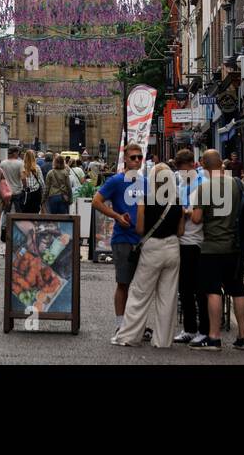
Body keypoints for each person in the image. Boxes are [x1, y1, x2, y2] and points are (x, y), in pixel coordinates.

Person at [112, 163, 184, 348]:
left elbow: (140, 229)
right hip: (173, 249)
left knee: (139, 294)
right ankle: (162, 341)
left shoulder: (146, 199)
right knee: (168, 297)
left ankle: (128, 336)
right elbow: (181, 231)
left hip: (152, 249)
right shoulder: (177, 201)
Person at [189, 149, 244, 351]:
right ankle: (242, 337)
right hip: (234, 246)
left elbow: (196, 218)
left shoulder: (205, 188)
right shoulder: (237, 184)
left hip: (212, 248)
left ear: (204, 165)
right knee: (238, 291)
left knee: (213, 291)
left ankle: (214, 337)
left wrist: (190, 211)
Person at [95, 143, 146, 335]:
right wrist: (116, 216)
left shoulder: (146, 182)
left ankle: (138, 325)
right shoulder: (116, 181)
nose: (137, 161)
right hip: (123, 239)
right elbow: (96, 202)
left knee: (142, 287)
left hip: (143, 240)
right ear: (125, 159)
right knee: (123, 283)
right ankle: (121, 324)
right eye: (133, 157)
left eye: (139, 157)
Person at [173, 149, 210, 346]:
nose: (181, 174)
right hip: (182, 240)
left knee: (199, 289)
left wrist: (184, 211)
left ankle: (203, 331)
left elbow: (198, 216)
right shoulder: (180, 183)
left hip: (197, 241)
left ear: (191, 165)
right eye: (179, 171)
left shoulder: (202, 185)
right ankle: (189, 329)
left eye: (183, 170)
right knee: (185, 289)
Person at [0, 147, 24, 213]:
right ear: (15, 153)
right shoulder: (20, 163)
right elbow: (23, 177)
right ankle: (17, 222)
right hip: (17, 190)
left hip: (6, 191)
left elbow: (0, 177)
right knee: (18, 210)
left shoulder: (2, 163)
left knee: (6, 211)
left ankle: (5, 223)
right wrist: (25, 186)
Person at [20, 149, 44, 214]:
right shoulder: (37, 168)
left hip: (25, 194)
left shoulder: (22, 167)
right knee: (35, 213)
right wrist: (43, 193)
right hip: (36, 193)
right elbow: (41, 182)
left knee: (25, 213)